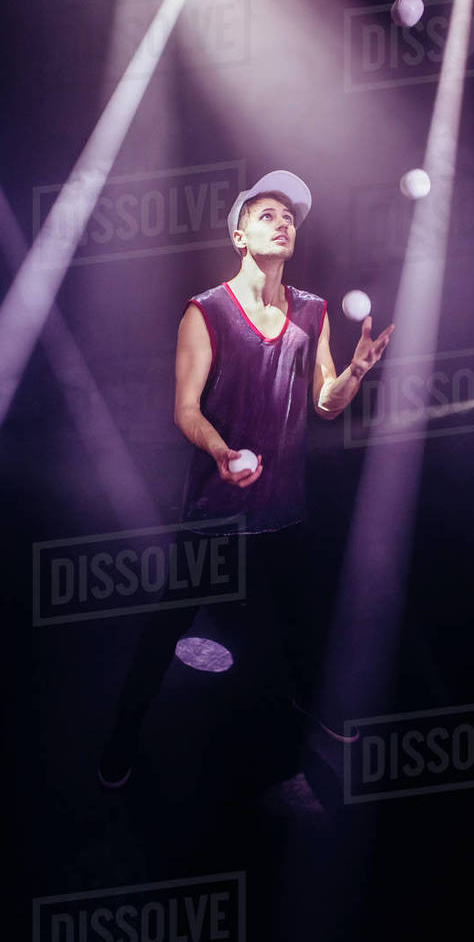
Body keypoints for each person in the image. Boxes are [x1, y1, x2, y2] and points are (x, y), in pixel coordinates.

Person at [98, 171, 393, 787]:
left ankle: (310, 707)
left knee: (302, 621)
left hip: (282, 509)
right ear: (240, 235)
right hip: (216, 509)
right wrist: (223, 451)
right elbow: (185, 409)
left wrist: (356, 374)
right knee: (167, 626)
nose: (282, 222)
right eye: (267, 214)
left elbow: (325, 404)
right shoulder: (205, 311)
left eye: (288, 216)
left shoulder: (312, 312)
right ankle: (123, 733)